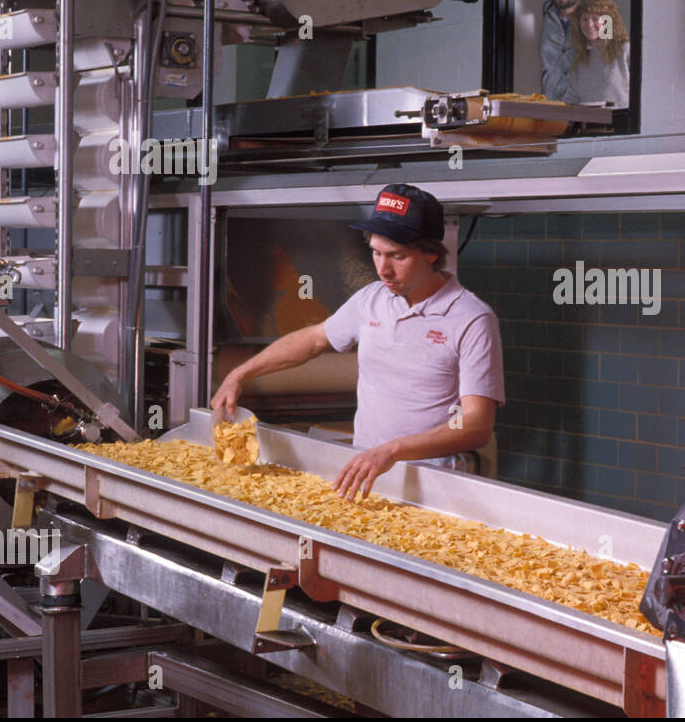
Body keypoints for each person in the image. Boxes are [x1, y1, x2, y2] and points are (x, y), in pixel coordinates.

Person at [210, 183, 504, 501]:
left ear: (432, 253)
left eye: (398, 256)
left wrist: (391, 451)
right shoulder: (371, 299)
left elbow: (475, 425)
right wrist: (239, 374)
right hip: (366, 478)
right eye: (376, 253)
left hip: (434, 488)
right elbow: (312, 340)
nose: (383, 269)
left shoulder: (471, 319)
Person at [564, 0, 630, 109]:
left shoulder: (625, 50)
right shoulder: (580, 57)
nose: (589, 25)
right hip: (587, 119)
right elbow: (572, 97)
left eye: (595, 19)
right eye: (584, 19)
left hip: (621, 119)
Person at [540, 0, 584, 101]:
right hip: (549, 103)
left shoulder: (603, 16)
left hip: (585, 103)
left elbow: (611, 57)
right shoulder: (540, 15)